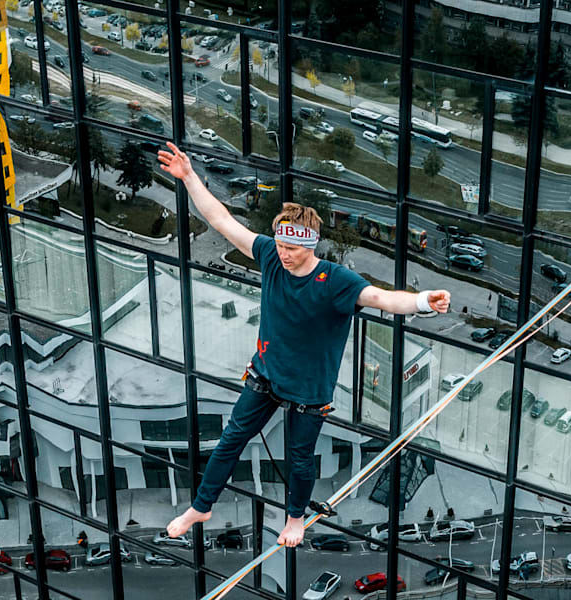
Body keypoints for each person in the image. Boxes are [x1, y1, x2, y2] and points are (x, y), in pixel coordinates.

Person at [157, 142, 452, 548]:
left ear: (310, 245)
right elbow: (223, 221)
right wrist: (190, 177)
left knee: (298, 458)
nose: (284, 255)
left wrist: (422, 302)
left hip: (309, 391)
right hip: (266, 374)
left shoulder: (335, 282)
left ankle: (294, 519)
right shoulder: (270, 256)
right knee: (230, 439)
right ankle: (202, 505)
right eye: (280, 246)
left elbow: (383, 299)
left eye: (292, 249)